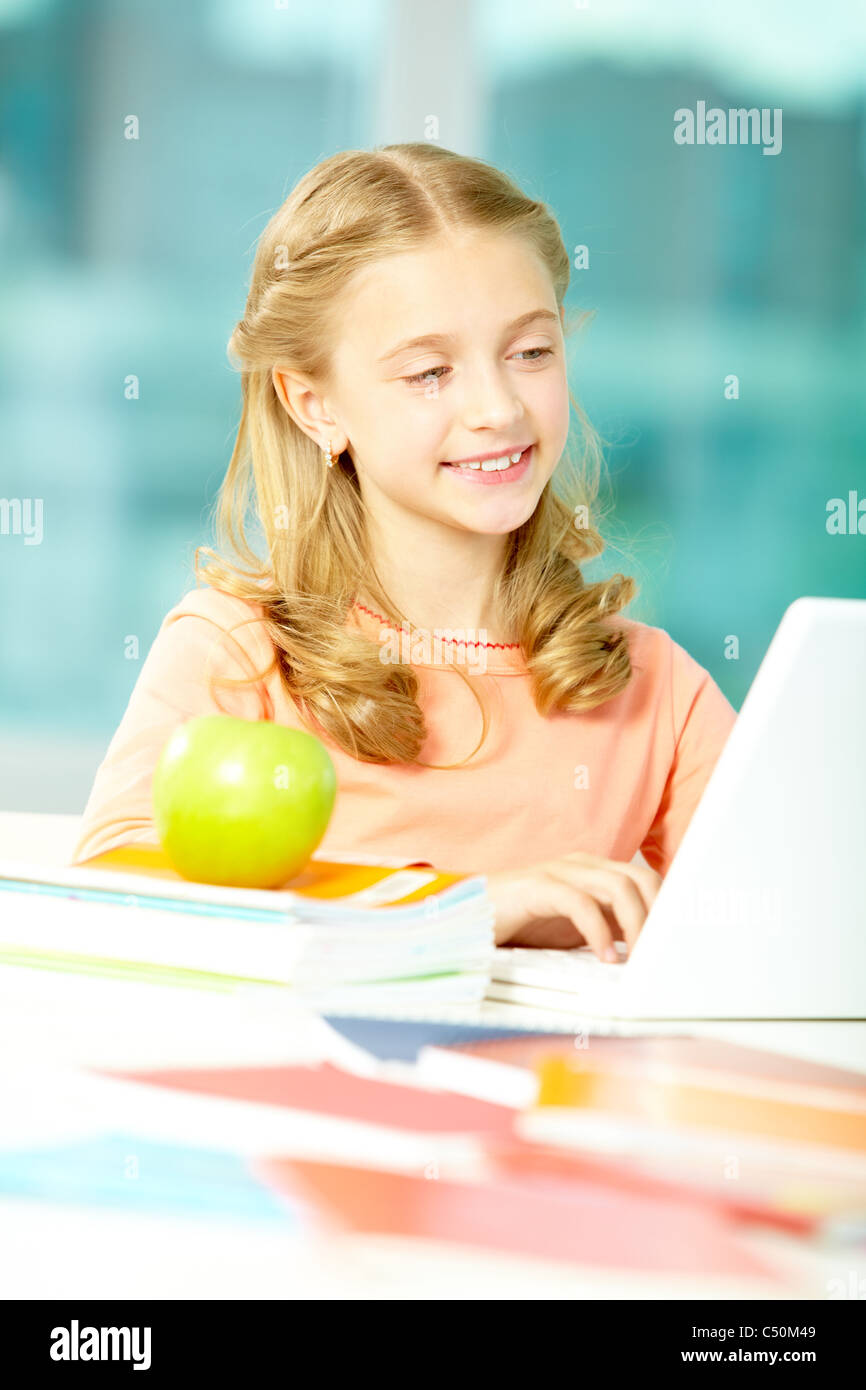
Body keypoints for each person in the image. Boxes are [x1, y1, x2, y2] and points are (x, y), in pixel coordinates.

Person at [70, 143, 737, 962]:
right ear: (315, 406)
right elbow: (111, 907)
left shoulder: (653, 689)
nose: (497, 407)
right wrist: (452, 911)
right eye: (429, 372)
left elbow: (789, 921)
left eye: (531, 352)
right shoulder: (239, 655)